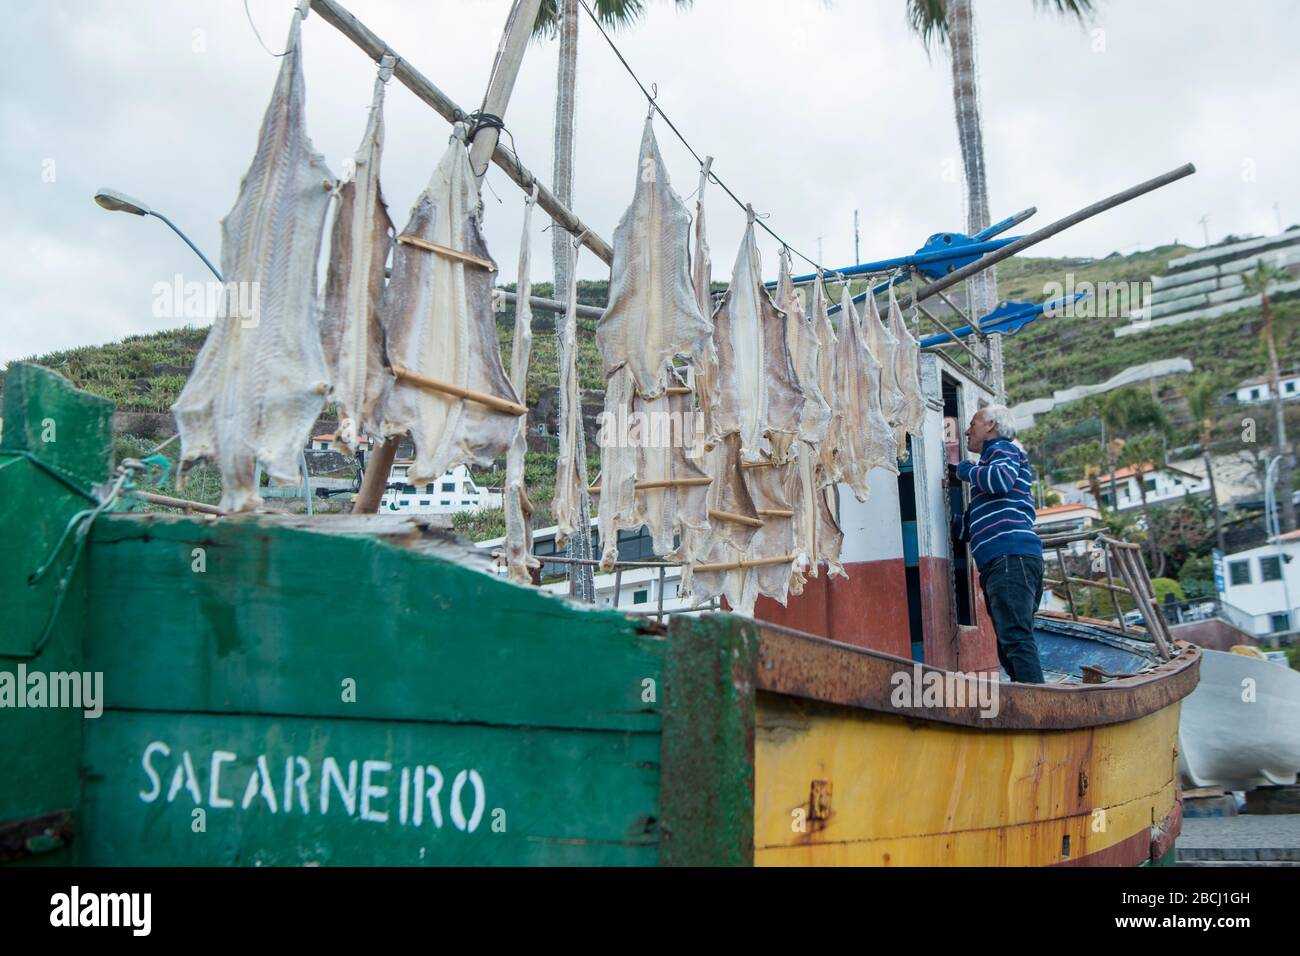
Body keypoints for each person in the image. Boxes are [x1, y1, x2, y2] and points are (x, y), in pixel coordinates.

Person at [949, 404, 1045, 684]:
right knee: (1009, 642)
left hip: (1009, 559)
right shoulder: (991, 464)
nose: (967, 431)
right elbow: (969, 528)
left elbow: (999, 480)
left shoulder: (1002, 451)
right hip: (1007, 561)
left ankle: (1036, 708)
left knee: (1015, 638)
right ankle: (1029, 701)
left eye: (974, 424)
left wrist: (964, 470)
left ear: (991, 426)